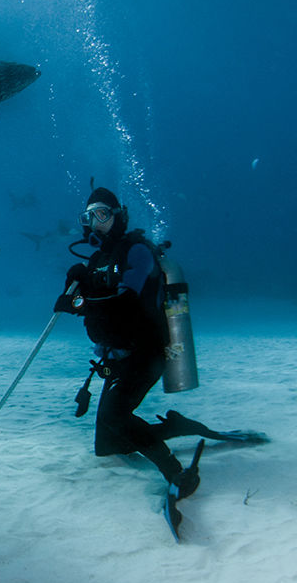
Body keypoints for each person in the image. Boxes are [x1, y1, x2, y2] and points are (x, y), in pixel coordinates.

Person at [53, 187, 251, 502]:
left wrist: (78, 303)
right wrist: (75, 283)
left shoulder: (138, 251)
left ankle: (175, 472)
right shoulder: (96, 260)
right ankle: (176, 427)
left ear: (118, 215)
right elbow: (90, 301)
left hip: (145, 352)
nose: (95, 223)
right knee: (108, 445)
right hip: (116, 355)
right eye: (88, 216)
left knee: (116, 417)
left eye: (102, 214)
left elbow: (125, 302)